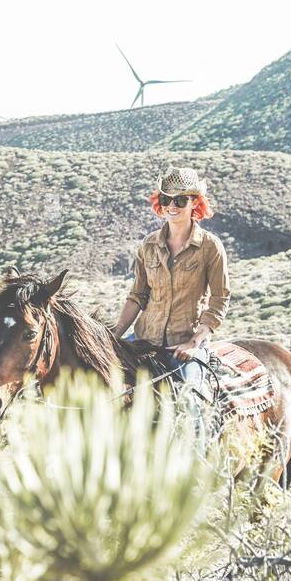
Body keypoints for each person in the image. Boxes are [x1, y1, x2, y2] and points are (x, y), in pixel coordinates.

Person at [113, 166, 230, 436]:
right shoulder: (149, 245)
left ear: (195, 203)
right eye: (166, 199)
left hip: (184, 342)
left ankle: (198, 469)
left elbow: (220, 297)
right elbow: (138, 295)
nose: (172, 206)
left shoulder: (210, 247)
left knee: (192, 403)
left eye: (180, 200)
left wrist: (195, 341)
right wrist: (116, 334)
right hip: (145, 339)